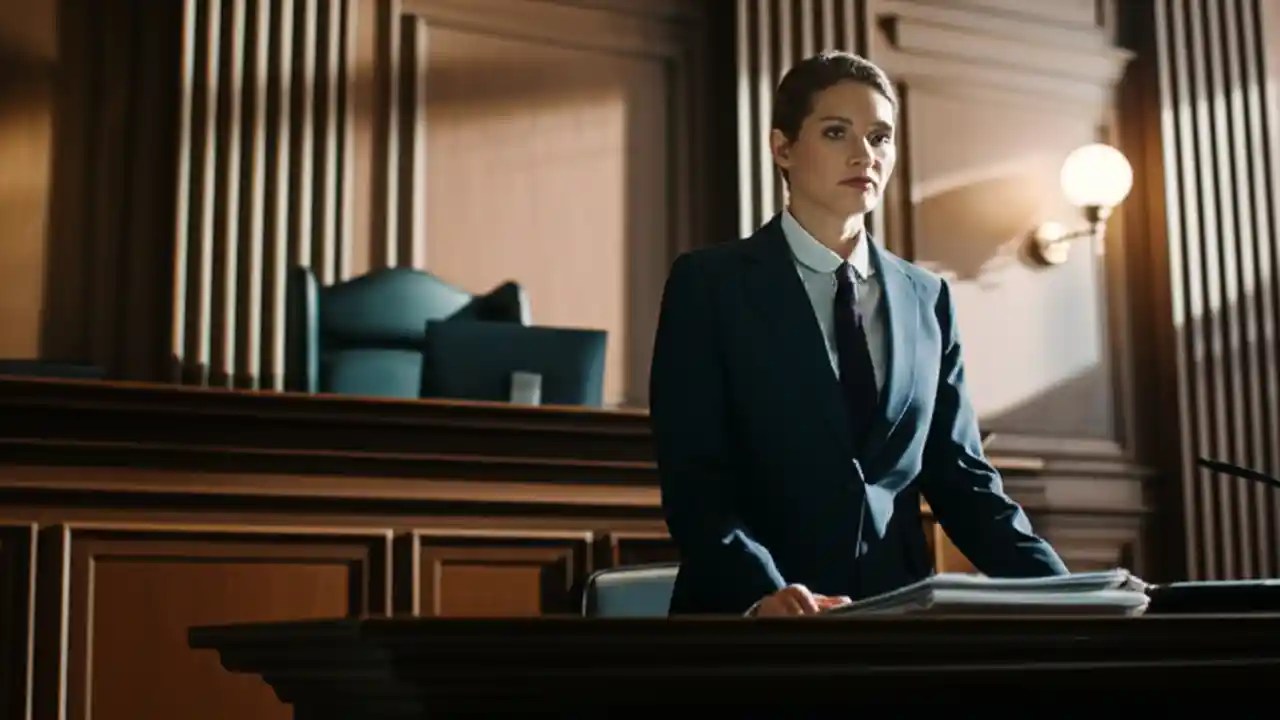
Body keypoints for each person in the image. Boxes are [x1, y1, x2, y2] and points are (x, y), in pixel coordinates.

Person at [648, 50, 1068, 617]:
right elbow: (696, 483)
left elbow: (963, 480)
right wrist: (764, 592)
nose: (863, 155)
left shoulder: (927, 298)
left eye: (880, 137)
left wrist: (1067, 592)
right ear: (783, 148)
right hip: (751, 629)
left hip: (895, 625)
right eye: (836, 132)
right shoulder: (709, 286)